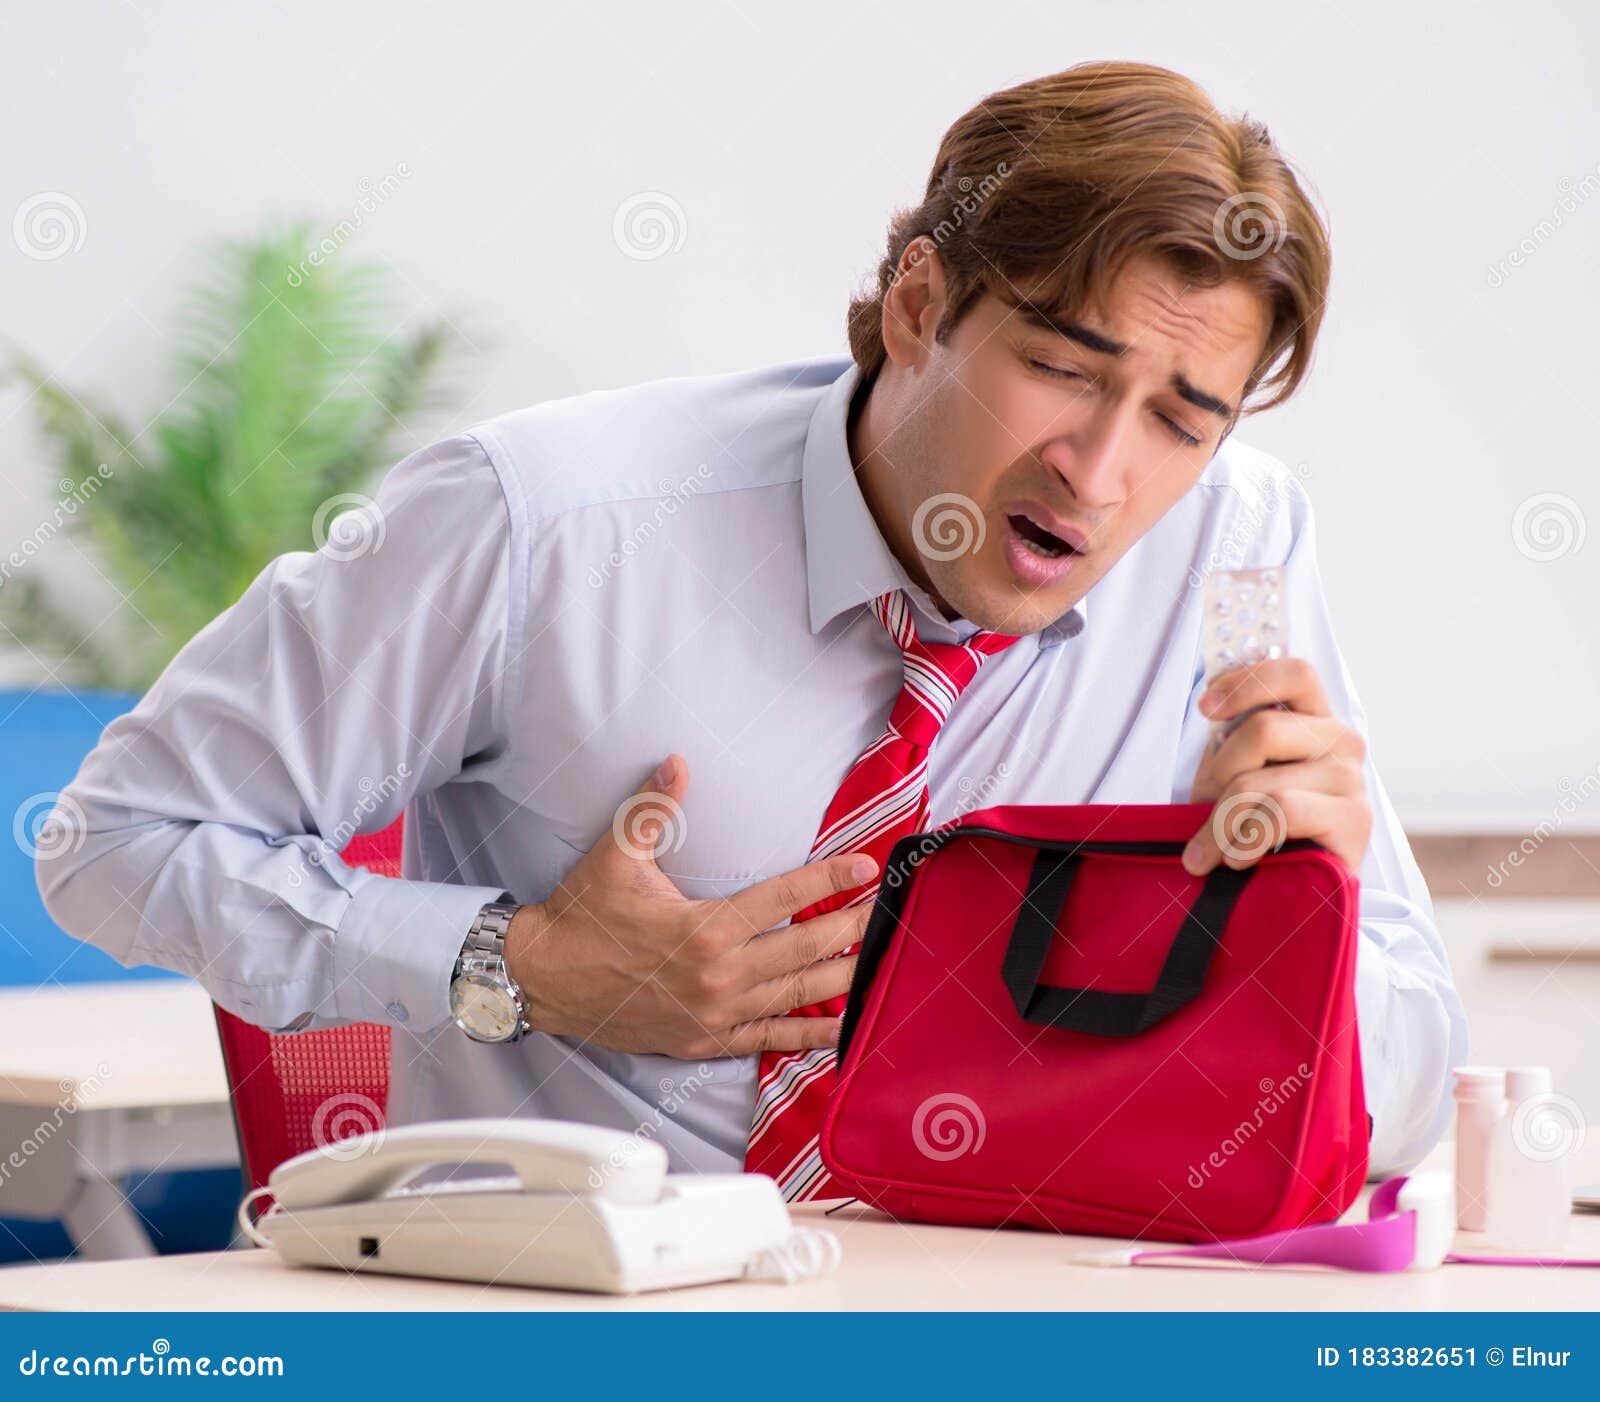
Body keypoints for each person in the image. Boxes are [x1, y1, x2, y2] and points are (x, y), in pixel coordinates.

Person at [39, 60, 1464, 1204]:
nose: (1100, 473)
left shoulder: (1234, 552)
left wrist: (1308, 921)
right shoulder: (541, 524)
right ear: (918, 305)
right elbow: (111, 839)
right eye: (1057, 367)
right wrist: (516, 963)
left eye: (1179, 418)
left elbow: (1405, 1088)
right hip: (585, 1329)